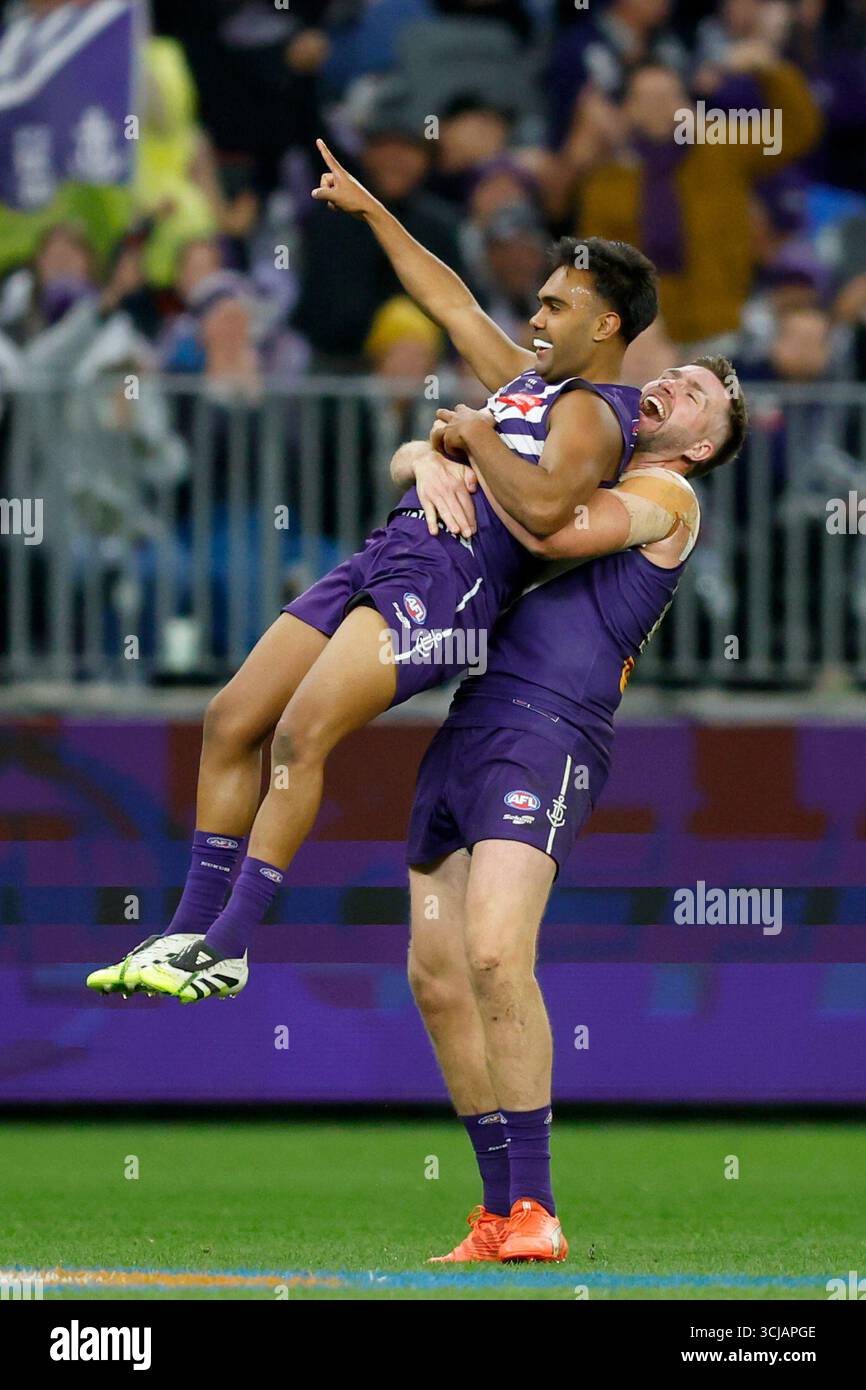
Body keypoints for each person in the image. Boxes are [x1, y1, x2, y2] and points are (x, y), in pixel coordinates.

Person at [85, 140, 658, 1001]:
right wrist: (373, 211)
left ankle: (232, 943)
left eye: (553, 306)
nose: (534, 319)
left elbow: (543, 516)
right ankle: (185, 931)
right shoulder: (530, 383)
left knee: (298, 734)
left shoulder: (594, 414)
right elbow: (452, 302)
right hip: (390, 550)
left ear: (605, 324)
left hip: (450, 579)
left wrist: (465, 436)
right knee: (230, 717)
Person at [394, 355, 749, 1262]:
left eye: (699, 393)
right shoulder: (572, 457)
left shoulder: (669, 493)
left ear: (701, 443)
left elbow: (546, 531)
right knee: (437, 979)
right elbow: (440, 457)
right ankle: (495, 1212)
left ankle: (539, 1209)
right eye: (675, 370)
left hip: (549, 731)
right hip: (472, 717)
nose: (674, 381)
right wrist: (427, 458)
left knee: (493, 950)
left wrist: (469, 438)